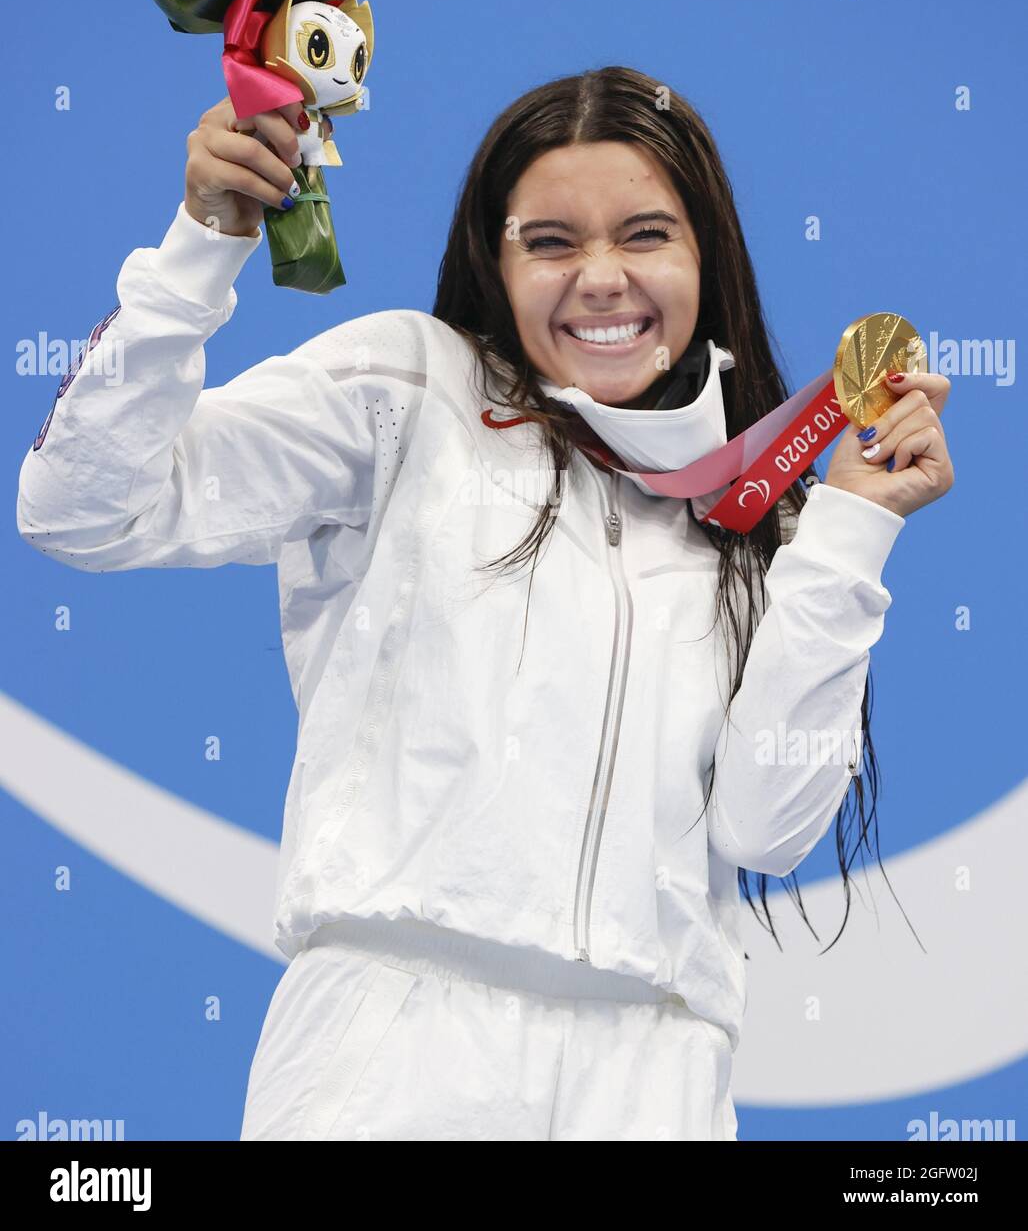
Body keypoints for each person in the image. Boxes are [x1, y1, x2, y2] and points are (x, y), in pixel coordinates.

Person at [15, 66, 954, 1141]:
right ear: (492, 261)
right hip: (394, 1051)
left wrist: (849, 528)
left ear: (706, 257)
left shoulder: (761, 516)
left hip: (658, 1075)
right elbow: (80, 508)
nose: (599, 277)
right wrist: (199, 247)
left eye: (645, 234)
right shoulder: (405, 393)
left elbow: (766, 828)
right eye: (549, 242)